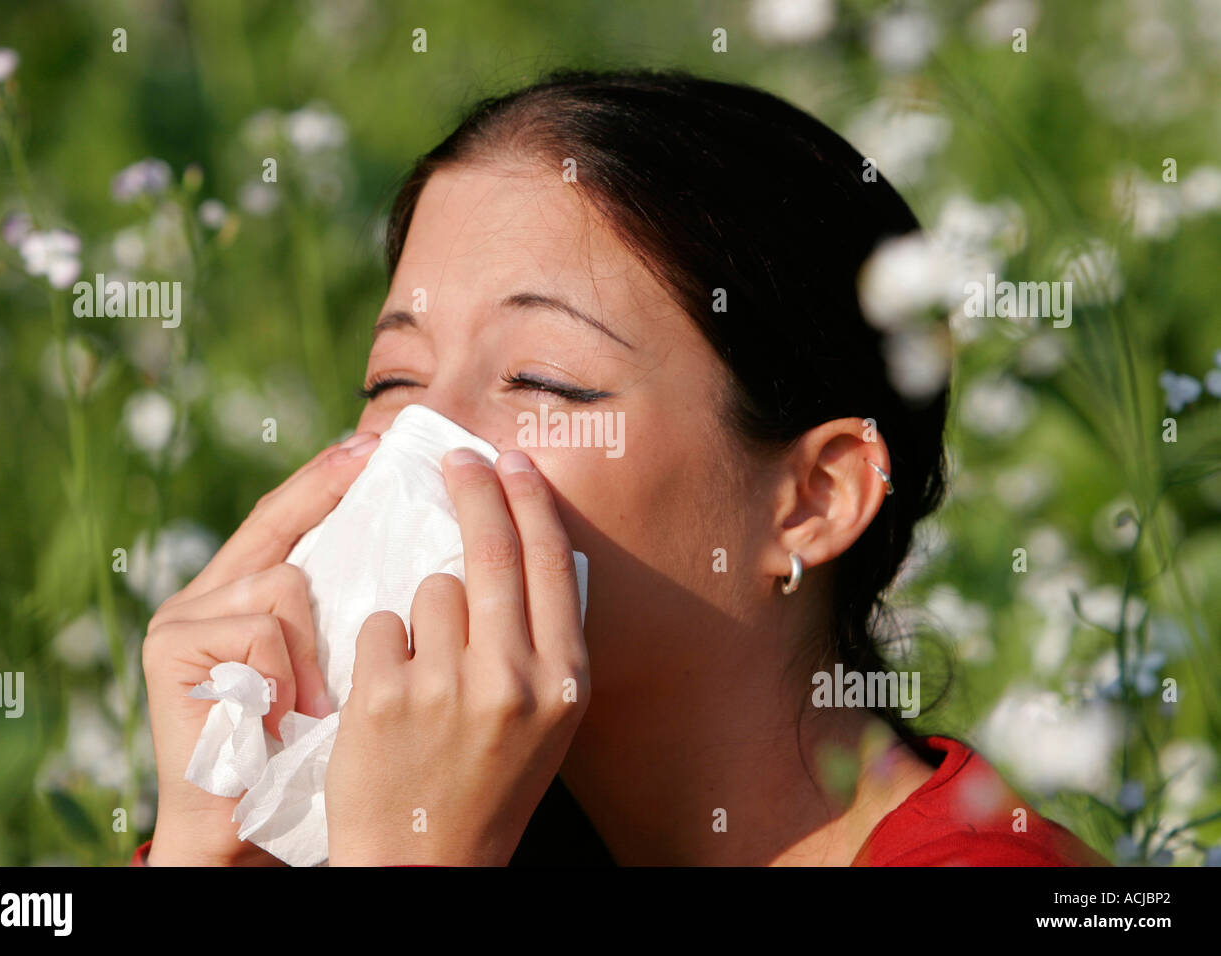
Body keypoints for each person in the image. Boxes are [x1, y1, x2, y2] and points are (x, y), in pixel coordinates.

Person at [135, 69, 1107, 867]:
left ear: (813, 497)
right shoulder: (385, 805)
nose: (423, 439)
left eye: (545, 382)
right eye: (394, 377)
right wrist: (216, 842)